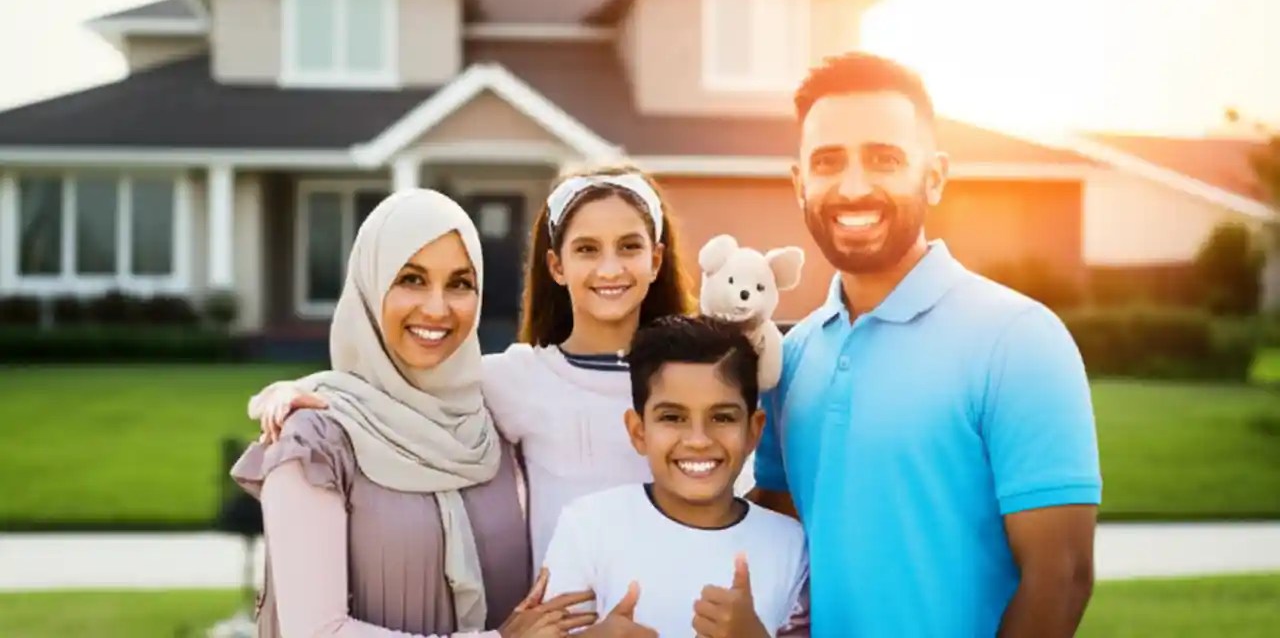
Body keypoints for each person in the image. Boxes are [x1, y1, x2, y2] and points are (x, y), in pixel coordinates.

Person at [748, 52, 1102, 637]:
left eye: (884, 159)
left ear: (934, 176)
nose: (853, 186)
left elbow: (1061, 577)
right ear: (798, 182)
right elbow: (772, 541)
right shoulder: (793, 356)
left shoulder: (1019, 339)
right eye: (828, 161)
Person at [249, 164, 698, 570]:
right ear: (557, 266)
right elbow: (400, 390)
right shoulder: (518, 378)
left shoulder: (692, 379)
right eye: (587, 249)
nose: (610, 268)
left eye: (629, 247)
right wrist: (300, 390)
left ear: (655, 260)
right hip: (565, 621)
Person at [231, 189, 595, 637]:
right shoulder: (315, 443)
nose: (437, 309)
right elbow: (316, 632)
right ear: (370, 285)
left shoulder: (495, 420)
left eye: (459, 284)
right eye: (411, 279)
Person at [542, 315, 809, 638]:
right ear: (638, 432)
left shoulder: (791, 545)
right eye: (672, 417)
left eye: (722, 418)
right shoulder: (587, 527)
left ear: (754, 431)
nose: (698, 440)